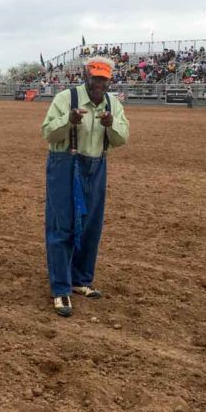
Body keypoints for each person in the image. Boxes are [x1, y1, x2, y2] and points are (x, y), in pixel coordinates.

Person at [41, 56, 129, 317]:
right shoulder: (65, 99)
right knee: (63, 225)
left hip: (97, 165)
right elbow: (47, 132)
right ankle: (61, 288)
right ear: (85, 75)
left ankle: (81, 279)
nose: (99, 84)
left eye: (104, 79)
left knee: (91, 224)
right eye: (95, 78)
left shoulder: (113, 104)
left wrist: (110, 125)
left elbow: (122, 138)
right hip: (65, 164)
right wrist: (68, 121)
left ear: (109, 79)